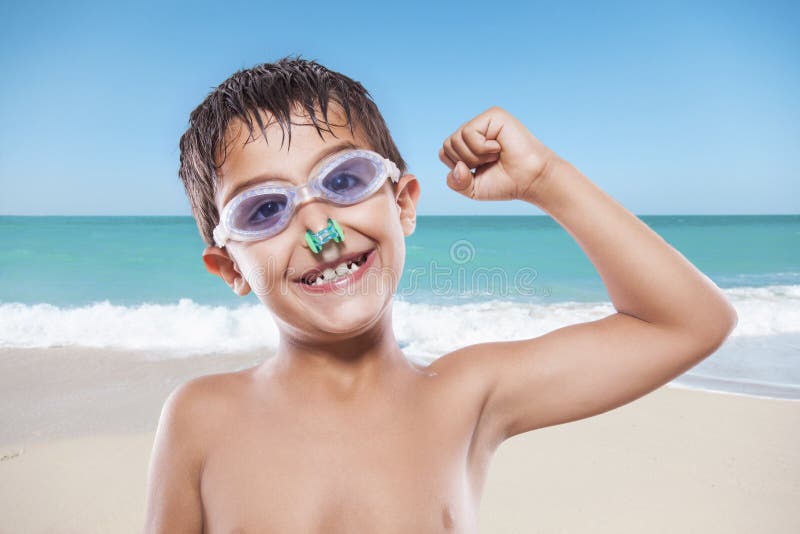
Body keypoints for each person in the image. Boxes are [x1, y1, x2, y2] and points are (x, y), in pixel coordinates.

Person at [143, 57, 737, 533]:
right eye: (266, 208)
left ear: (402, 203)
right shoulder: (202, 417)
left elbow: (688, 322)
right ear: (230, 267)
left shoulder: (466, 396)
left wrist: (544, 178)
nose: (321, 231)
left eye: (344, 180)